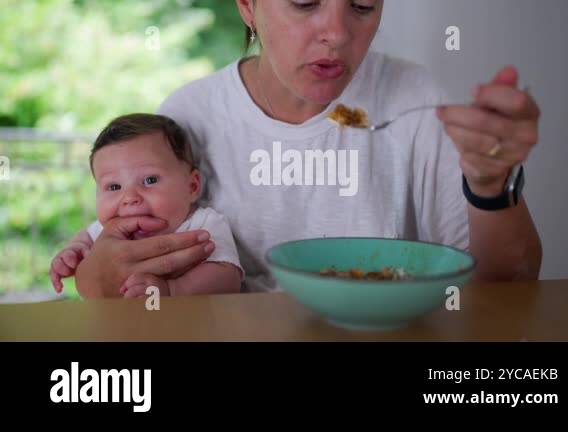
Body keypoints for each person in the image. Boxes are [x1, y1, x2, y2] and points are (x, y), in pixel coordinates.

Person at [74, 0, 542, 298]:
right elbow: (136, 271)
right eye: (305, 3)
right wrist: (98, 281)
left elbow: (508, 286)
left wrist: (489, 184)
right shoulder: (190, 115)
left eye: (361, 5)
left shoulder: (414, 99)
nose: (337, 33)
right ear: (248, 6)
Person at [50, 113, 243, 298]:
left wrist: (173, 289)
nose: (130, 198)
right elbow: (85, 238)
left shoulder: (203, 225)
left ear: (192, 187)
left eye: (150, 180)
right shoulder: (108, 232)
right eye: (114, 186)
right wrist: (73, 252)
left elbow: (228, 276)